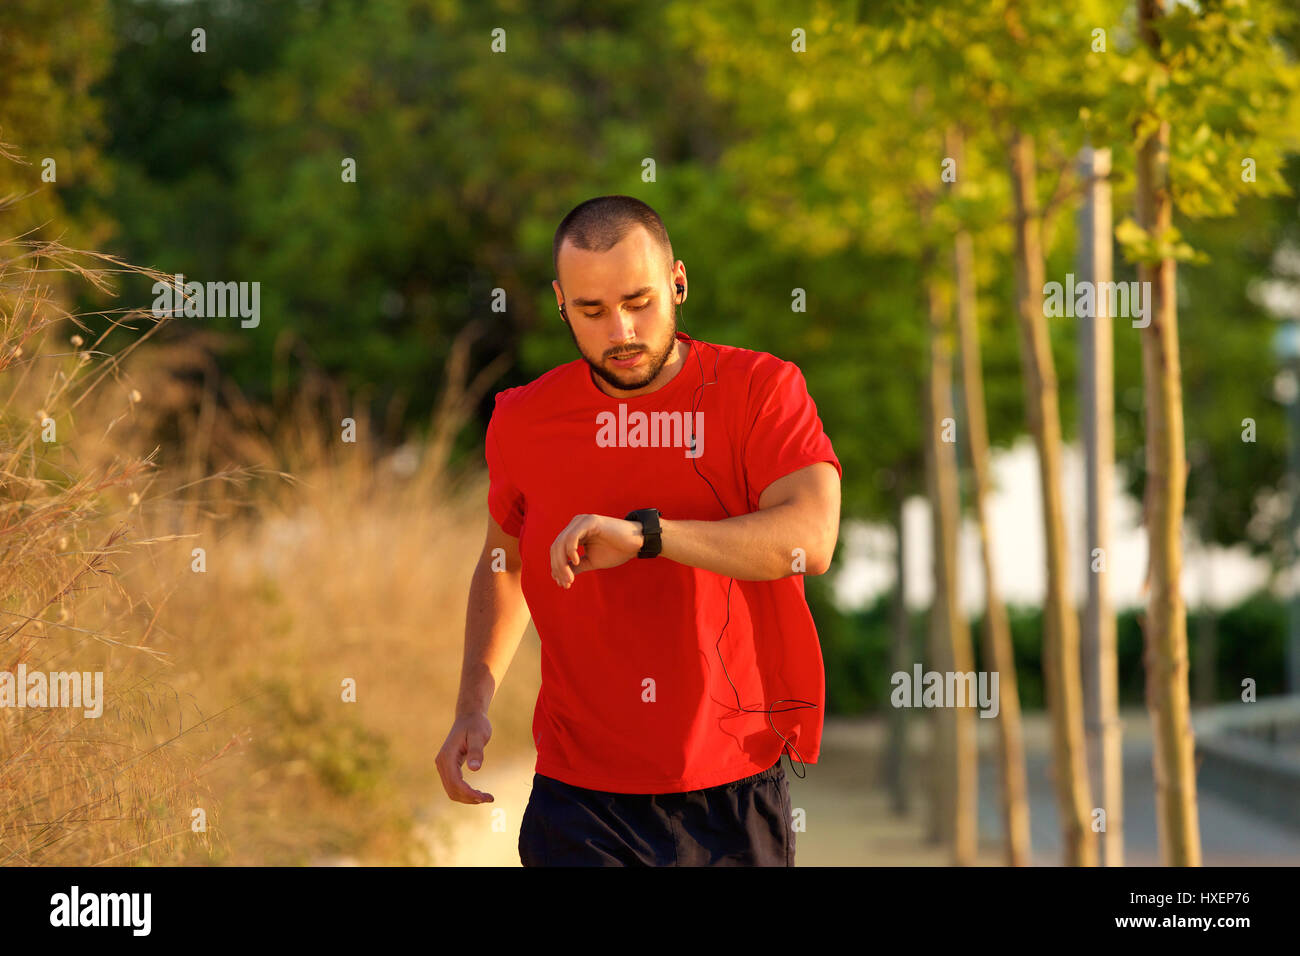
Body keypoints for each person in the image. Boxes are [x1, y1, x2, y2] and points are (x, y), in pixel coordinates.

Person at [435, 194, 842, 866]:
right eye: (591, 311)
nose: (621, 330)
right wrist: (473, 703)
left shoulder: (760, 390)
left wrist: (650, 537)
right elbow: (504, 563)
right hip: (579, 795)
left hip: (731, 789)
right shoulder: (523, 419)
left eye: (639, 301)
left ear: (678, 282)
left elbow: (811, 538)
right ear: (561, 303)